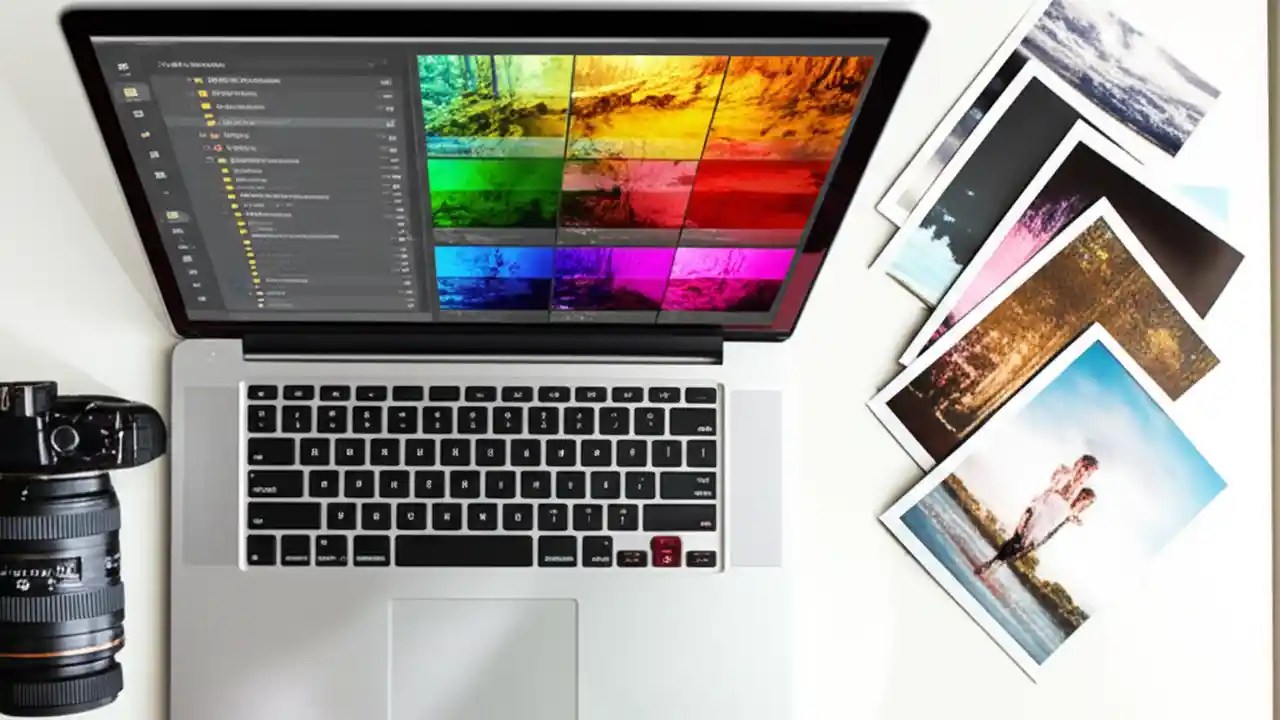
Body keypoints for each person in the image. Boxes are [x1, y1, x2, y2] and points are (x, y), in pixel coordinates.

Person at [975, 487, 1096, 578]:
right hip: (1030, 531)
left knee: (1011, 554)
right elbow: (1036, 508)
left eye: (1086, 504)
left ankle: (989, 567)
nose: (1082, 504)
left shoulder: (1069, 513)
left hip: (1035, 537)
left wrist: (1035, 544)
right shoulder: (1060, 502)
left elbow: (1051, 531)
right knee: (1010, 550)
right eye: (1083, 500)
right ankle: (988, 566)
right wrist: (1024, 523)